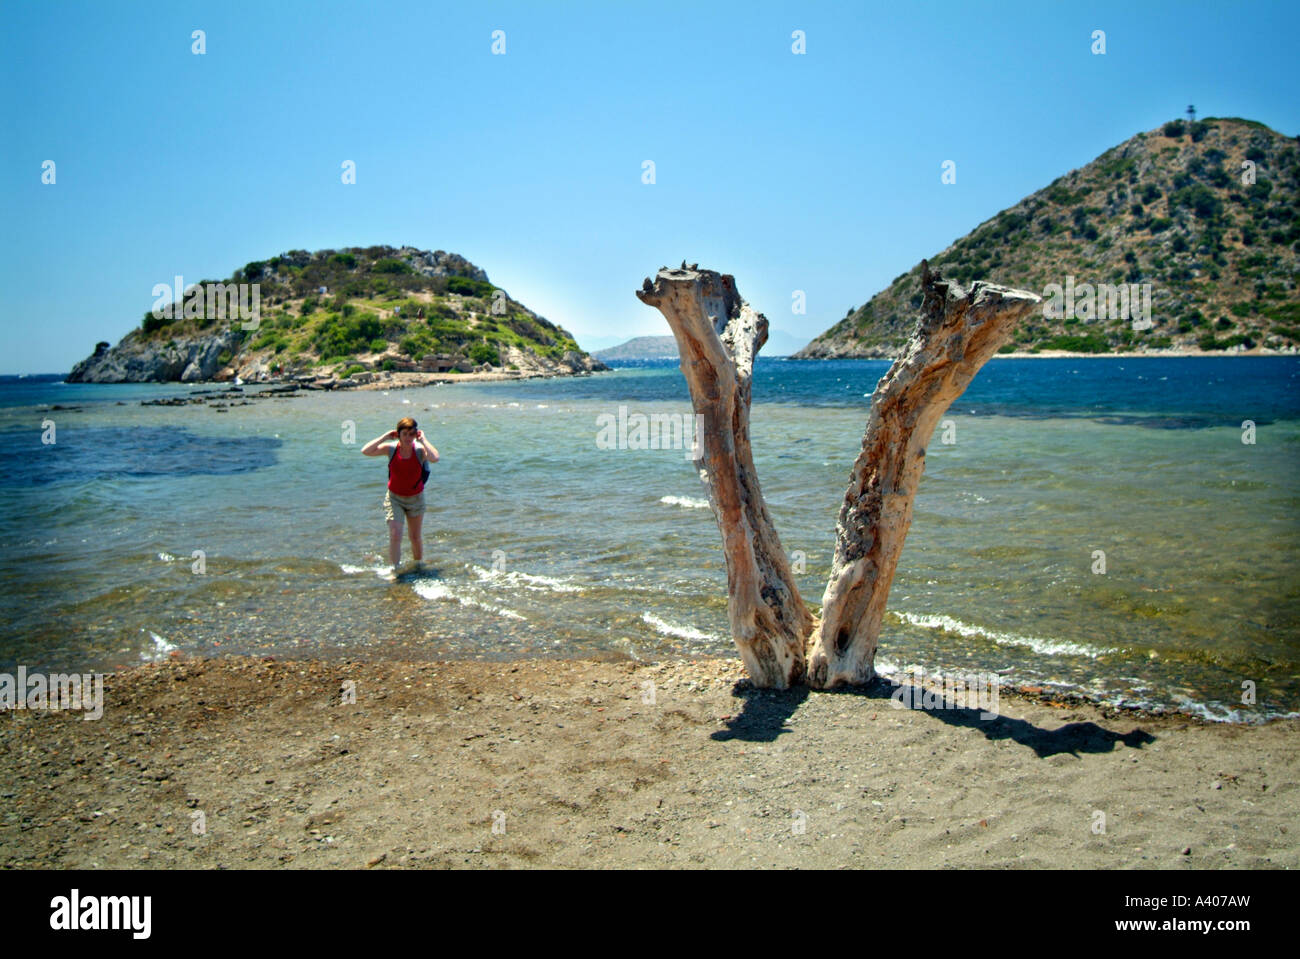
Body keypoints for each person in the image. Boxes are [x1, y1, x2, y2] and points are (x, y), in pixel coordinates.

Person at [361, 416, 439, 570]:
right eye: (405, 434)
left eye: (411, 434)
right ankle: (395, 570)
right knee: (396, 535)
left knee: (415, 537)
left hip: (416, 499)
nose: (408, 438)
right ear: (399, 435)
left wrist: (423, 440)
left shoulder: (420, 451)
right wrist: (384, 437)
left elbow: (435, 458)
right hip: (394, 498)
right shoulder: (391, 449)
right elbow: (366, 451)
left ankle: (418, 567)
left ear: (416, 435)